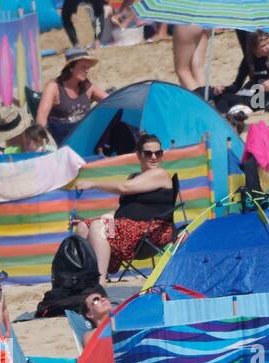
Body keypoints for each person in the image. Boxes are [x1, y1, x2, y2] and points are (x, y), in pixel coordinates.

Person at [82, 133, 177, 281]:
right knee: (83, 226)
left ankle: (98, 282)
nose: (153, 157)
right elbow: (124, 207)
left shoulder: (160, 174)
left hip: (150, 232)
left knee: (97, 227)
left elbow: (124, 187)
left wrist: (93, 184)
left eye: (158, 153)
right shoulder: (134, 176)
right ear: (138, 155)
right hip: (129, 227)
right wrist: (110, 215)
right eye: (148, 153)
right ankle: (87, 278)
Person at [36, 48, 107, 148]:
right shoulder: (54, 87)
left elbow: (111, 100)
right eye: (83, 67)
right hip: (65, 140)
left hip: (86, 136)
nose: (86, 71)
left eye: (88, 67)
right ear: (71, 68)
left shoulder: (86, 86)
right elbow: (42, 115)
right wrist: (41, 142)